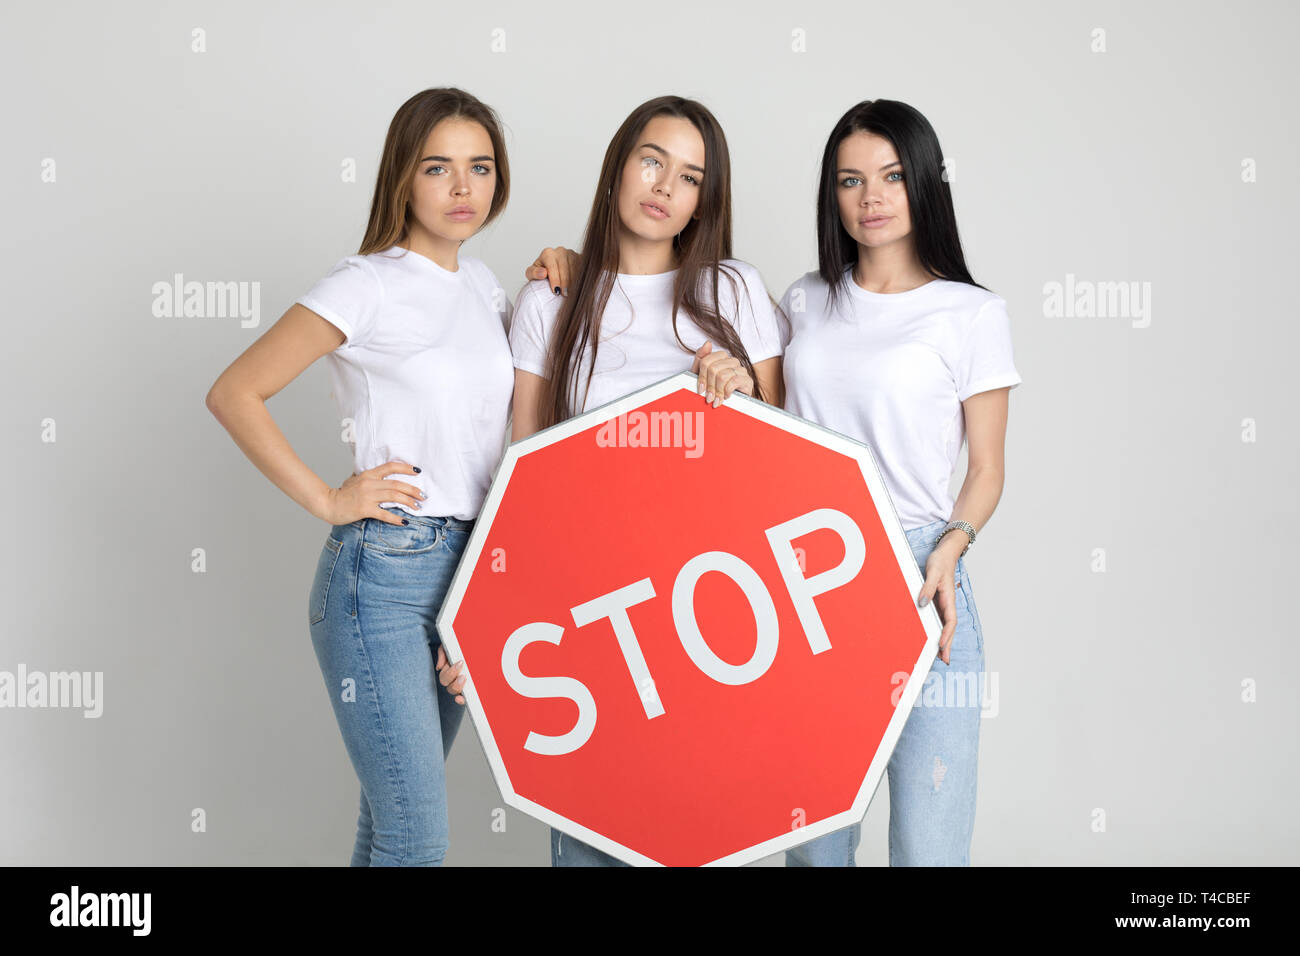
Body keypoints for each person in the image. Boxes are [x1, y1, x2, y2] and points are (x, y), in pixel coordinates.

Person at [522, 98, 1021, 867]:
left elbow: (987, 469)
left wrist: (955, 543)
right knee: (814, 850)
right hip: (806, 581)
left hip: (925, 578)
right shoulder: (804, 300)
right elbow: (765, 433)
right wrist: (580, 264)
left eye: (892, 177)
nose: (873, 198)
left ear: (925, 185)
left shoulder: (971, 313)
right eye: (851, 180)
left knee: (930, 848)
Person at [436, 94, 786, 867]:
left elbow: (790, 464)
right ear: (618, 166)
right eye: (651, 160)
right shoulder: (551, 300)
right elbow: (518, 474)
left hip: (711, 616)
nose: (664, 186)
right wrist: (482, 619)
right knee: (592, 839)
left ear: (704, 201)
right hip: (592, 613)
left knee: (702, 833)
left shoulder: (734, 293)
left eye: (690, 177)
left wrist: (747, 396)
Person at [205, 87, 516, 865]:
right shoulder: (368, 282)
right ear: (402, 178)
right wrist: (329, 500)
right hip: (384, 571)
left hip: (467, 571)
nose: (461, 188)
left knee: (388, 828)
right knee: (416, 837)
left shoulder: (483, 286)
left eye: (479, 168)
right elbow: (234, 391)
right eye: (438, 168)